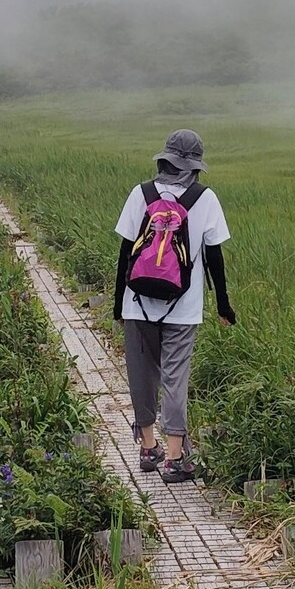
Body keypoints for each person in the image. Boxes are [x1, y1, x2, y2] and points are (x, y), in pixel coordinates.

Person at [113, 128, 235, 483]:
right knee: (175, 377)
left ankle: (148, 448)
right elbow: (214, 258)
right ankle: (176, 458)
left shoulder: (142, 193)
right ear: (195, 165)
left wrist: (119, 304)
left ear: (164, 159)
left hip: (137, 302)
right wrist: (223, 307)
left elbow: (125, 252)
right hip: (184, 306)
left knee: (141, 373)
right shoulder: (205, 198)